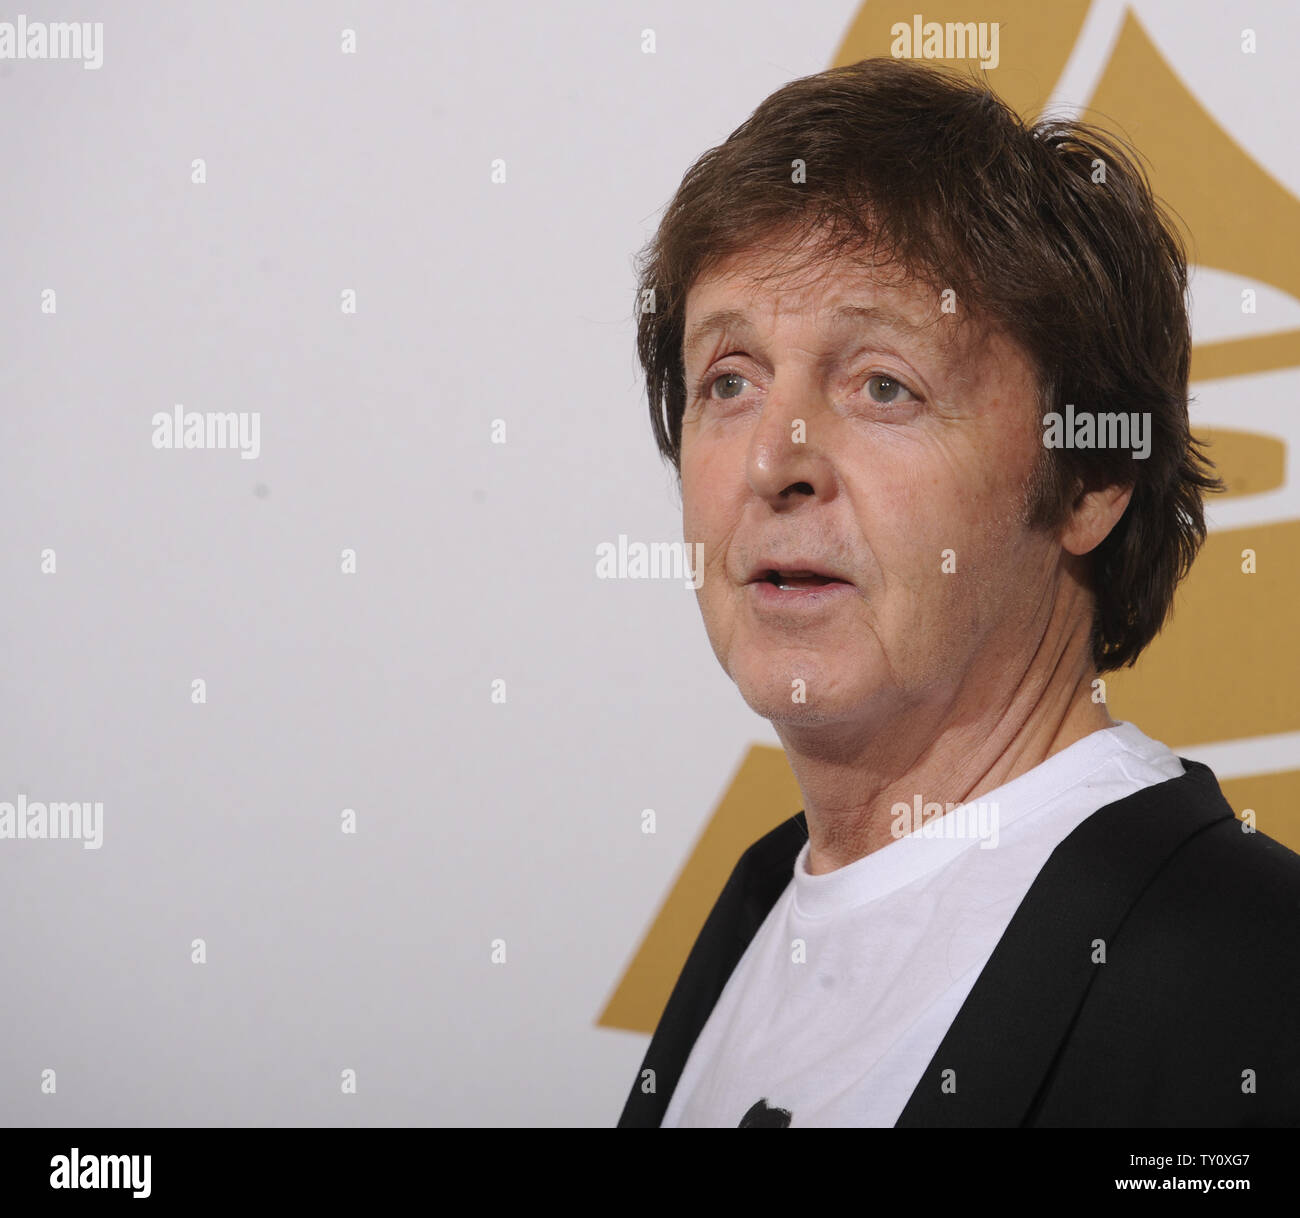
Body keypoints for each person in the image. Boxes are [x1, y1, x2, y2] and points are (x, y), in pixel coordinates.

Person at [617, 57, 1300, 1128]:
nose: (773, 462)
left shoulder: (1254, 970)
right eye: (730, 381)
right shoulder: (760, 904)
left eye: (882, 385)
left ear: (1089, 478)